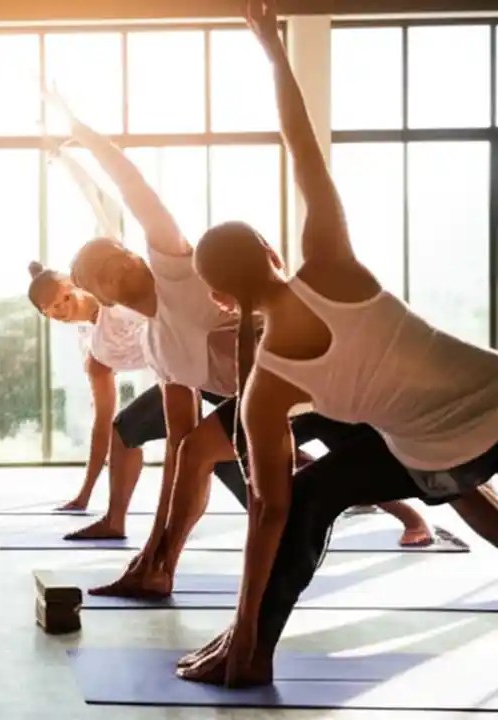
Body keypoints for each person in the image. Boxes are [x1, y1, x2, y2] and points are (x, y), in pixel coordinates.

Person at [177, 0, 498, 687]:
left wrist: (243, 628)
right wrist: (272, 49)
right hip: (487, 404)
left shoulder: (268, 390)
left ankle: (257, 654)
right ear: (269, 248)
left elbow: (269, 513)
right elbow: (303, 149)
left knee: (320, 492)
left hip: (435, 456)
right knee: (443, 472)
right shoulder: (330, 260)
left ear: (220, 299)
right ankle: (250, 645)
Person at [51, 91, 430, 584]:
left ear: (134, 254)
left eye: (114, 252)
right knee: (200, 454)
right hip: (271, 405)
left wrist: (87, 138)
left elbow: (134, 188)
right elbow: (179, 446)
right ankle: (161, 570)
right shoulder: (158, 347)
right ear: (99, 294)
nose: (113, 263)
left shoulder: (173, 264)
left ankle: (415, 515)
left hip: (326, 377)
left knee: (435, 470)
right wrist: (153, 544)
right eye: (95, 270)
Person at [29, 141, 247, 531]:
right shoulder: (98, 349)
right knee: (158, 438)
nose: (62, 311)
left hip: (219, 364)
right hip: (184, 373)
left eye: (63, 299)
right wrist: (85, 493)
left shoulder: (128, 281)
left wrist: (70, 156)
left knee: (267, 441)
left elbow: (106, 197)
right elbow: (104, 422)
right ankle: (122, 525)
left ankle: (377, 505)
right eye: (53, 312)